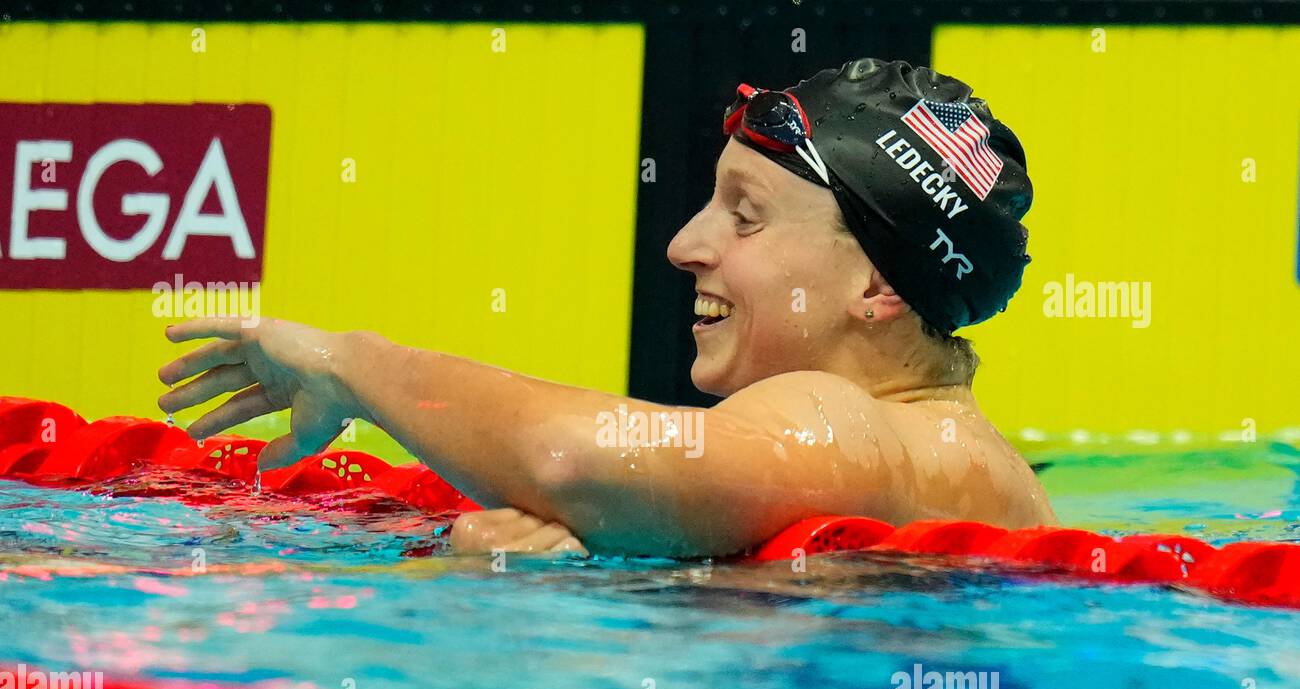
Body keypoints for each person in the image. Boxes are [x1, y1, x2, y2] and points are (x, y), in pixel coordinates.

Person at [157, 57, 1056, 559]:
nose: (685, 246)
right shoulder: (1000, 485)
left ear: (879, 287)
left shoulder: (842, 422)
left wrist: (348, 364)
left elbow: (573, 457)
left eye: (744, 216)